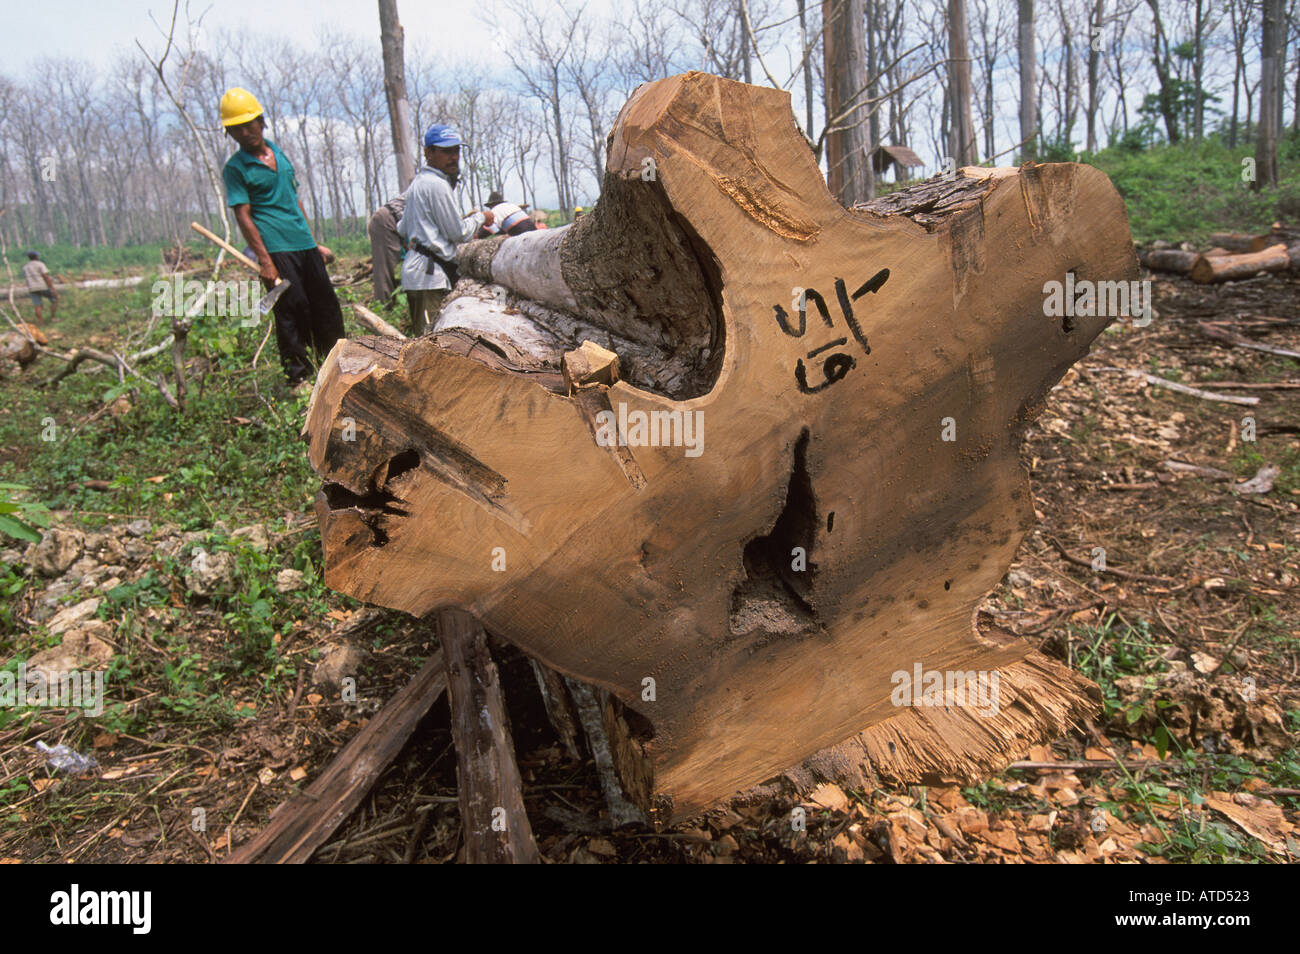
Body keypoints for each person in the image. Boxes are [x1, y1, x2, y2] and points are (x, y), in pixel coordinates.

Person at [219, 86, 345, 392]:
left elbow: (293, 198)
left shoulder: (278, 153)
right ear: (231, 134)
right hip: (276, 249)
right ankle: (299, 378)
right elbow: (243, 215)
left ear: (262, 122)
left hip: (302, 243)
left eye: (250, 125)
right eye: (237, 129)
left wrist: (313, 242)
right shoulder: (236, 169)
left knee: (326, 306)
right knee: (292, 309)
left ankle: (335, 369)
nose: (246, 133)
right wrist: (265, 260)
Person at [398, 124, 493, 336]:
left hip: (418, 273)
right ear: (428, 152)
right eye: (446, 151)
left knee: (426, 336)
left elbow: (402, 227)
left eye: (456, 151)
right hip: (429, 277)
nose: (454, 157)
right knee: (433, 342)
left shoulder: (418, 184)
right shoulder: (436, 185)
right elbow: (458, 233)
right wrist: (481, 218)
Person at [367, 193, 406, 303]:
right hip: (387, 221)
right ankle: (386, 307)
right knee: (388, 271)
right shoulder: (433, 186)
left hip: (397, 222)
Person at [22, 251, 58, 322]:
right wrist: (52, 288)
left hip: (32, 288)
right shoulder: (40, 264)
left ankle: (41, 322)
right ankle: (53, 317)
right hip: (42, 286)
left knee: (37, 305)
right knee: (54, 299)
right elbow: (46, 277)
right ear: (36, 257)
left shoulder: (25, 267)